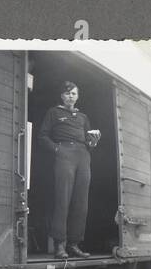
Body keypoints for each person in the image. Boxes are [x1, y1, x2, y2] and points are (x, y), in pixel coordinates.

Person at [37, 82, 102, 259]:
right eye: (67, 94)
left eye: (73, 94)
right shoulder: (54, 112)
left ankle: (74, 244)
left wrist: (93, 142)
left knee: (81, 202)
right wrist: (57, 149)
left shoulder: (82, 116)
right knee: (63, 199)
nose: (70, 96)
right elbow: (42, 136)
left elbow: (89, 139)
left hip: (83, 155)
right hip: (64, 153)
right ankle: (60, 245)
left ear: (77, 96)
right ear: (61, 96)